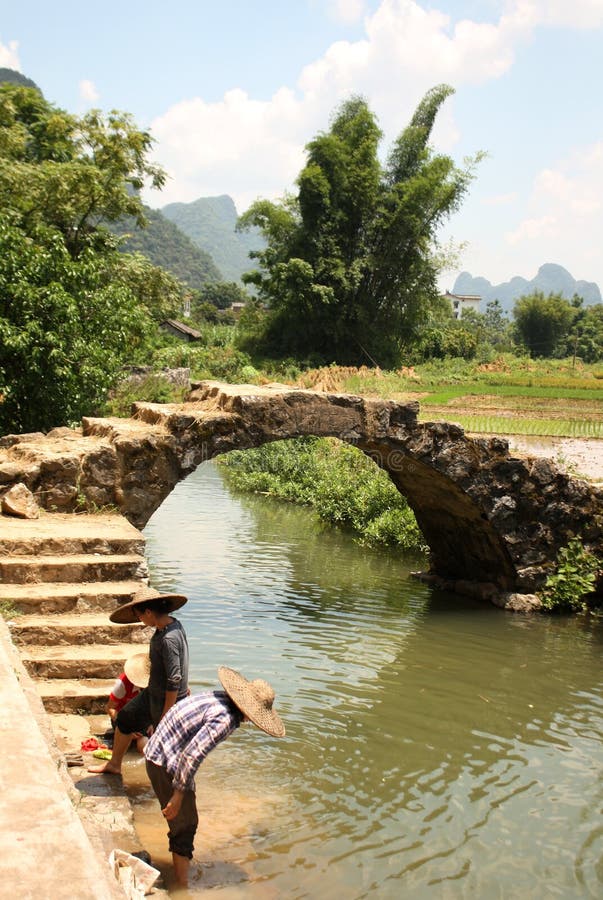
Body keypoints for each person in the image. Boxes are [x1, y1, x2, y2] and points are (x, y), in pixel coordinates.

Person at [144, 665, 286, 889]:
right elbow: (191, 755)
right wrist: (179, 794)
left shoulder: (218, 697)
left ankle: (179, 873)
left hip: (159, 750)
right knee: (186, 825)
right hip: (164, 760)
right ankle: (180, 887)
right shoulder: (226, 719)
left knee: (182, 820)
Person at [89, 586, 190, 776]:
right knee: (126, 718)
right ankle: (115, 764)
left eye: (140, 616)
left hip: (167, 699)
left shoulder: (168, 638)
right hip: (153, 692)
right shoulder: (169, 627)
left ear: (149, 612)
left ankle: (173, 786)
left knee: (165, 745)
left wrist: (166, 714)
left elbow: (174, 678)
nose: (140, 620)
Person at [106, 652, 151, 754]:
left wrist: (151, 724)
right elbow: (110, 708)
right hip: (123, 719)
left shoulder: (155, 684)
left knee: (143, 745)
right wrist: (123, 726)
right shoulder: (123, 683)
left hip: (143, 720)